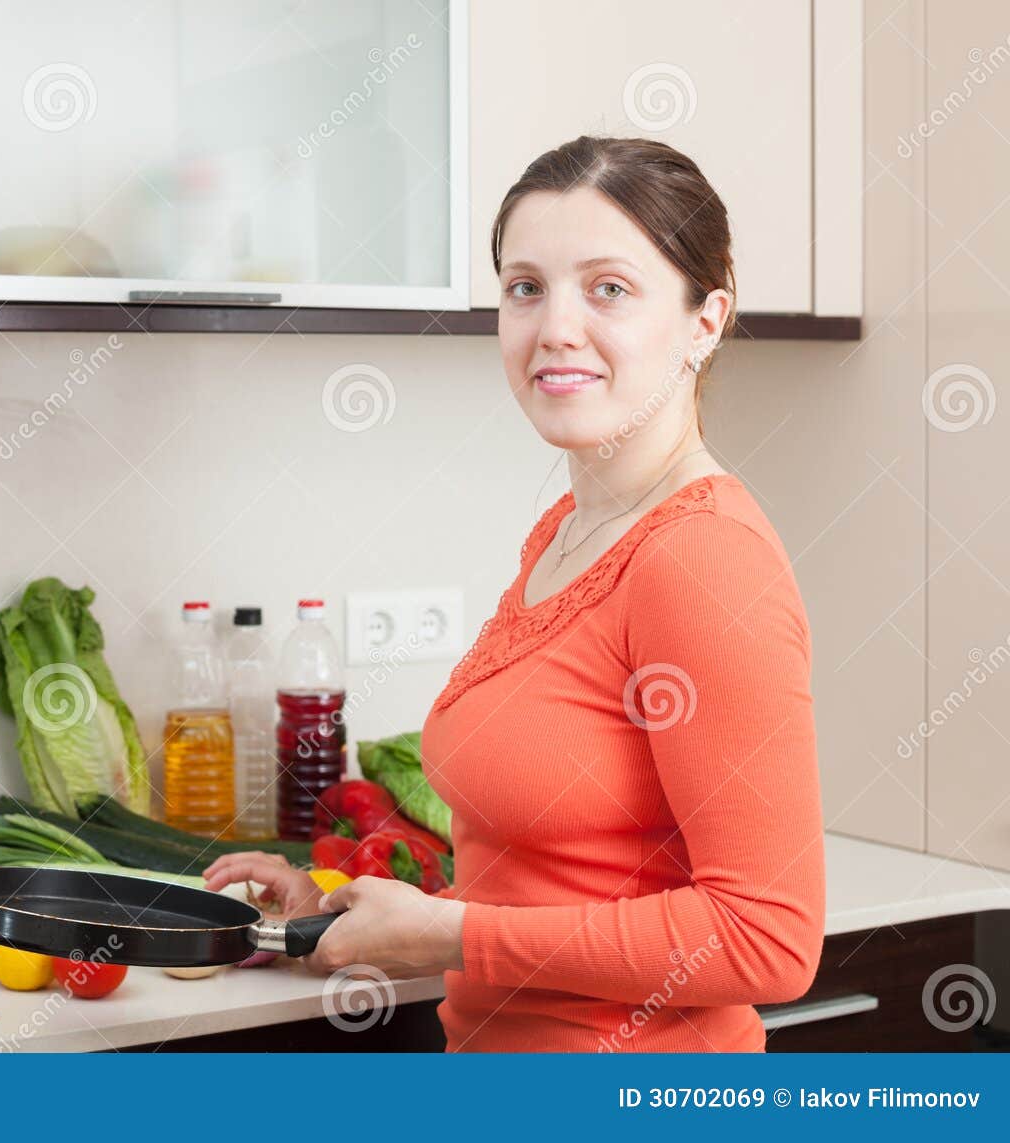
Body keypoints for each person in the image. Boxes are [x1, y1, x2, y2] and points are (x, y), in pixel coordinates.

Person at [204, 135, 825, 1053]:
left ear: (705, 320)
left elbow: (767, 937)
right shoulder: (564, 535)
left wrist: (449, 933)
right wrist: (345, 917)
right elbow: (549, 896)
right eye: (526, 287)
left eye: (608, 288)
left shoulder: (701, 559)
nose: (555, 328)